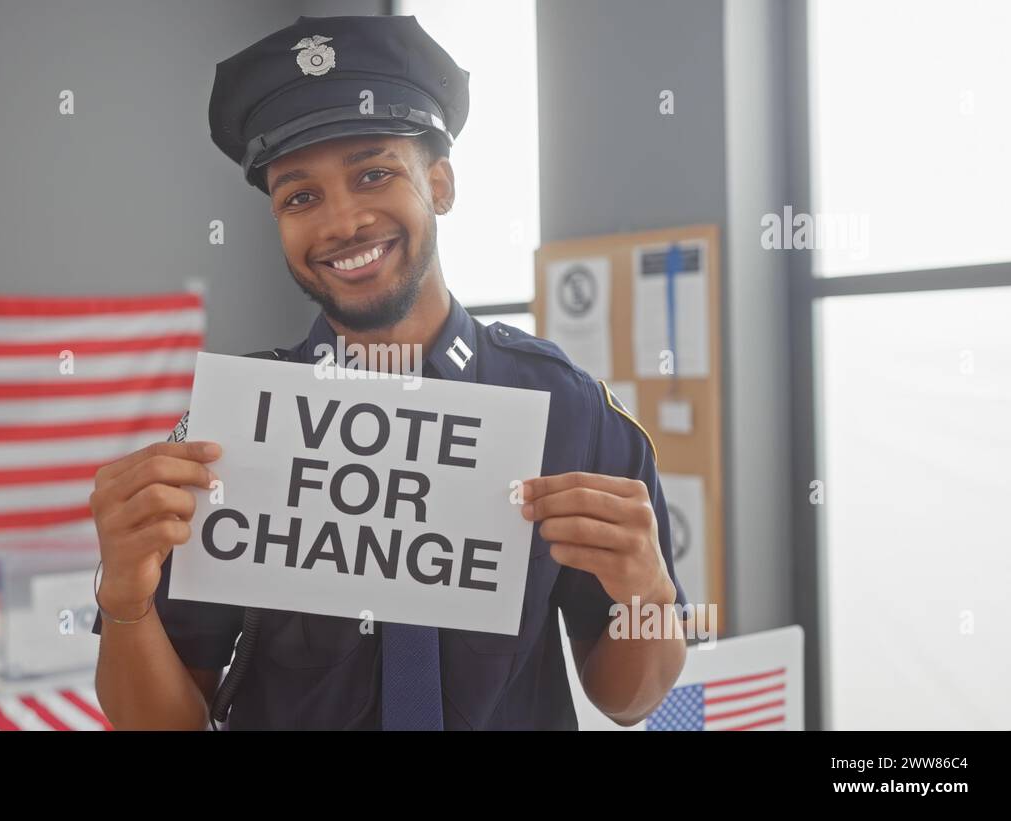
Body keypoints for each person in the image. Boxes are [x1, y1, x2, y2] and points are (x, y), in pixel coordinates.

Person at [90, 14, 688, 730]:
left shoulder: (568, 408)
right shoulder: (234, 428)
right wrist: (122, 596)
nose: (342, 222)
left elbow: (627, 700)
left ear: (439, 183)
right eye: (300, 197)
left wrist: (648, 590)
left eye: (374, 173)